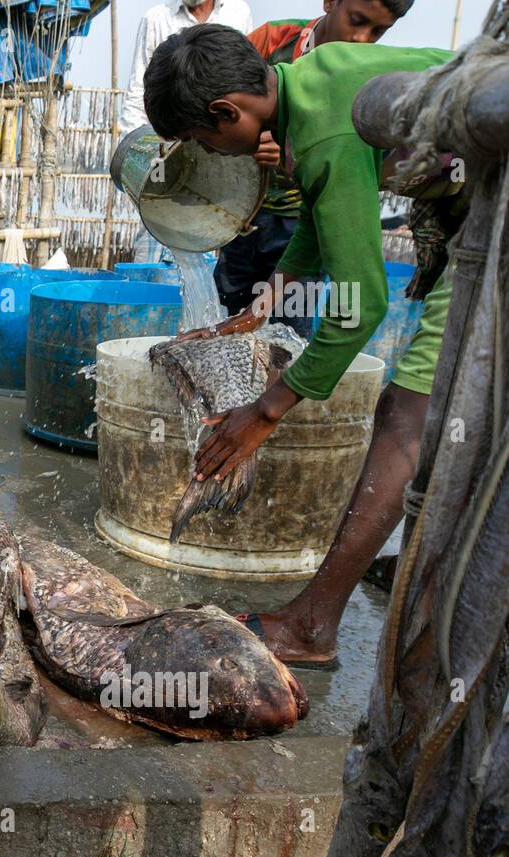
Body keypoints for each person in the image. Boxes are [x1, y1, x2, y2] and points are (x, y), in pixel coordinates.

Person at [142, 24, 455, 667]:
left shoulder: (327, 131)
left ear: (228, 112)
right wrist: (265, 305)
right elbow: (321, 217)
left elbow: (361, 304)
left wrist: (265, 411)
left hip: (493, 211)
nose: (216, 153)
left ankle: (313, 625)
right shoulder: (314, 81)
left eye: (206, 141)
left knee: (408, 413)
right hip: (473, 196)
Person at [214, 0, 414, 325]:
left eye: (378, 31)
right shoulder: (272, 41)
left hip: (303, 219)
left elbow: (347, 161)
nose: (362, 39)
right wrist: (251, 143)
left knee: (289, 327)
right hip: (245, 212)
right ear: (330, 2)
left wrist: (290, 153)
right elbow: (219, 115)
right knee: (228, 311)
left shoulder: (368, 80)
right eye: (357, 20)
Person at [121, 0, 252, 263]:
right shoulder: (157, 18)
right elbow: (138, 91)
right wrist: (139, 149)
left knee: (220, 229)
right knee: (155, 223)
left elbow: (247, 79)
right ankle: (151, 289)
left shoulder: (239, 13)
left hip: (221, 152)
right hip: (165, 147)